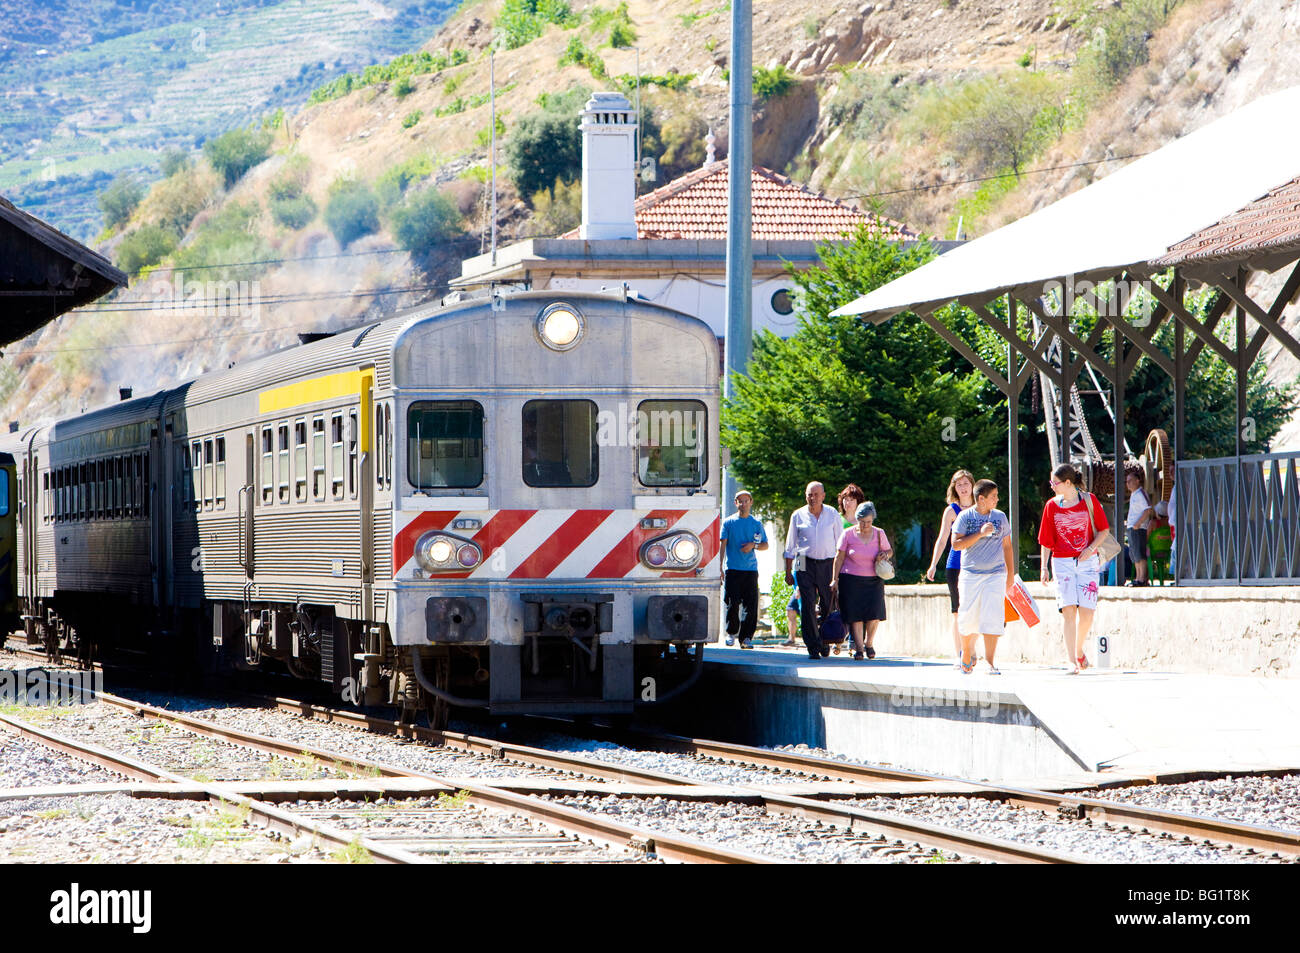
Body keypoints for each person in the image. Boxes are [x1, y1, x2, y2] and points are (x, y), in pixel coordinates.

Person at [1038, 463, 1109, 673]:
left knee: (1087, 614)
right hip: (1062, 563)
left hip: (1087, 562)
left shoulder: (1089, 500)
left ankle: (1078, 650)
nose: (1052, 486)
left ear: (1068, 483)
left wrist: (1091, 548)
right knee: (1068, 610)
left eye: (1055, 482)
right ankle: (1071, 660)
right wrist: (1044, 567)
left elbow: (1103, 530)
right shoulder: (1051, 506)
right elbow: (1045, 540)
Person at [950, 479, 1013, 675]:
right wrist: (980, 533)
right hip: (970, 574)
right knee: (968, 617)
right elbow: (956, 544)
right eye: (993, 496)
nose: (997, 499)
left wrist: (1010, 574)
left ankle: (991, 663)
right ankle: (967, 652)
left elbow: (1007, 546)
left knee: (993, 618)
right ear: (981, 499)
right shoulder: (964, 517)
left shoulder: (1000, 517)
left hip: (995, 575)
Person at [784, 481, 842, 660]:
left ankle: (825, 640)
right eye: (810, 494)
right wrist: (789, 572)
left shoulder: (832, 514)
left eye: (816, 494)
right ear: (805, 495)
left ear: (823, 496)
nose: (813, 498)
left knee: (827, 603)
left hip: (827, 563)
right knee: (807, 604)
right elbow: (790, 546)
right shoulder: (797, 515)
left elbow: (841, 544)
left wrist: (838, 572)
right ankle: (813, 646)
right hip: (804, 562)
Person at [926, 469, 976, 668]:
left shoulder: (981, 507)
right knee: (958, 611)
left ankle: (971, 649)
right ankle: (960, 654)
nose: (963, 488)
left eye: (966, 483)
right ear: (954, 488)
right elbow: (942, 538)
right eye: (959, 485)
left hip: (977, 566)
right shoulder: (951, 510)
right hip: (955, 565)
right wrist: (933, 564)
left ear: (972, 485)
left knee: (975, 610)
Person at [831, 501, 893, 660]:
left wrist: (885, 555)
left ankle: (869, 643)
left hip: (874, 579)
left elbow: (889, 550)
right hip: (850, 579)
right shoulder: (848, 534)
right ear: (857, 519)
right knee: (855, 615)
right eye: (862, 522)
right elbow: (839, 557)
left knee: (875, 614)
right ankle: (859, 649)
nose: (866, 525)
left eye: (869, 522)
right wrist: (834, 579)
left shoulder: (879, 533)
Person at [720, 489, 768, 649]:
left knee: (751, 604)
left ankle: (746, 637)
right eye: (740, 501)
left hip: (750, 570)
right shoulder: (728, 522)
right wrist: (719, 567)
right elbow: (723, 544)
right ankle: (731, 633)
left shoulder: (756, 524)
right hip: (732, 568)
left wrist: (752, 546)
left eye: (746, 500)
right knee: (732, 603)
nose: (743, 504)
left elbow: (765, 545)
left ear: (751, 502)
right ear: (736, 503)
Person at [1123, 471, 1155, 587]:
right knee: (1135, 554)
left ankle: (1142, 579)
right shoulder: (1134, 494)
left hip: (1139, 528)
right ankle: (1138, 577)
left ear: (1137, 481)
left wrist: (1138, 523)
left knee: (1140, 554)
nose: (1128, 484)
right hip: (1132, 527)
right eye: (1127, 482)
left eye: (1130, 481)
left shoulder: (1141, 493)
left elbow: (1148, 509)